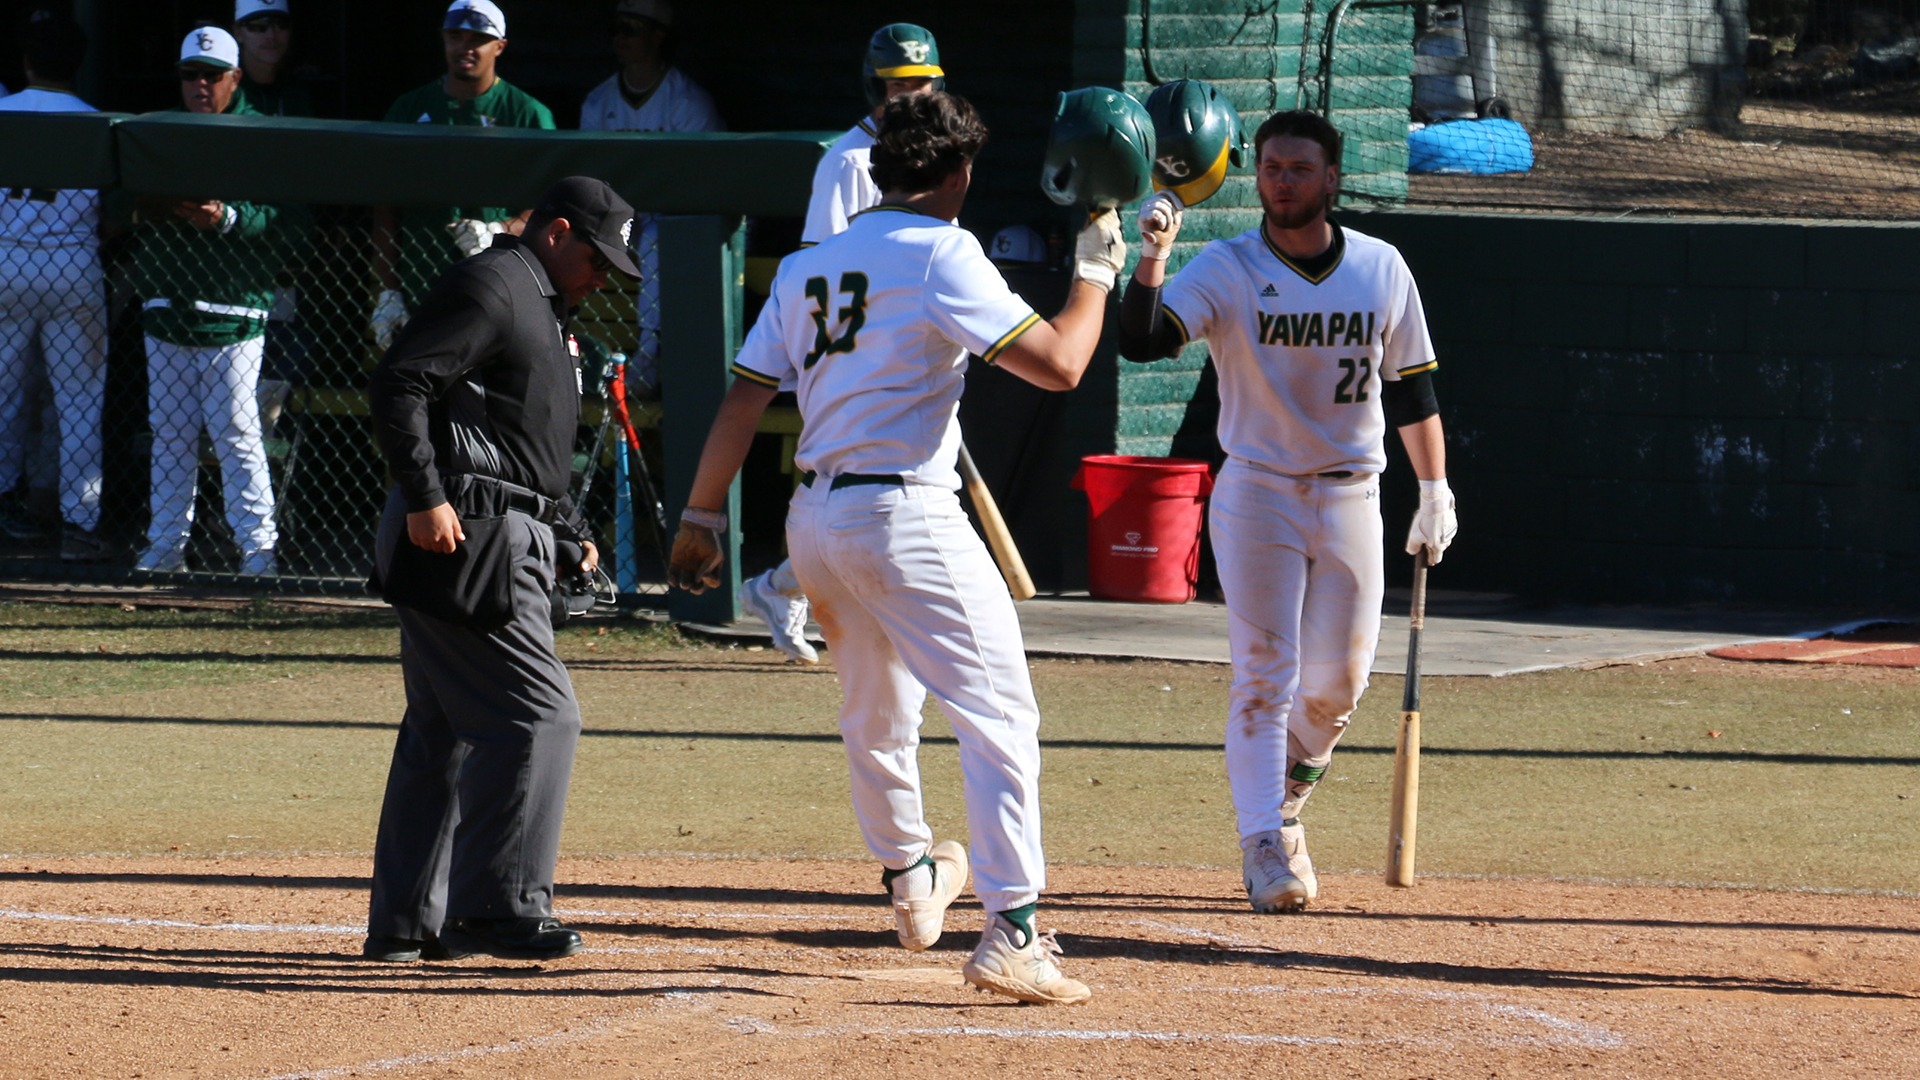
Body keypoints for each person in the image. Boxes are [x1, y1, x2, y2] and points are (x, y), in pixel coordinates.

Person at [668, 91, 1126, 1004]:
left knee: (875, 711)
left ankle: (912, 885)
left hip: (817, 520)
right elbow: (1063, 364)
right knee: (1000, 715)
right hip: (904, 516)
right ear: (956, 175)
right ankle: (1014, 931)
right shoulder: (944, 249)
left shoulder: (811, 263)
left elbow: (741, 401)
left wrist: (701, 519)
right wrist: (1095, 274)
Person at [1115, 109, 1458, 913]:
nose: (1283, 181)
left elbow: (1414, 388)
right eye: (1271, 168)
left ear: (1331, 179)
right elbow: (1143, 341)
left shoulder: (1380, 267)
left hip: (1352, 494)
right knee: (1266, 675)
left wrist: (1435, 490)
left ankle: (1285, 808)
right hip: (1259, 493)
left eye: (1300, 168)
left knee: (1338, 689)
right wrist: (1153, 257)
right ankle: (1262, 842)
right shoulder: (1229, 266)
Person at [361, 176, 636, 964]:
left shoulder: (539, 301)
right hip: (461, 534)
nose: (601, 277)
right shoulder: (496, 283)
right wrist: (424, 496)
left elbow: (519, 443)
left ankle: (409, 923)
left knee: (443, 727)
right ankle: (497, 905)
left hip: (485, 526)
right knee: (539, 715)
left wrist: (569, 527)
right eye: (596, 259)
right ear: (556, 233)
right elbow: (400, 380)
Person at [736, 21, 945, 664]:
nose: (909, 98)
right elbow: (819, 271)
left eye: (921, 85)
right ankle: (783, 589)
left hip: (909, 355)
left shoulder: (933, 154)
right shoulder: (848, 161)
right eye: (896, 87)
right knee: (843, 483)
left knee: (873, 492)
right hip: (851, 353)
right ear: (873, 89)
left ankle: (781, 589)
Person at [130, 27, 291, 576]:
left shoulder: (263, 133)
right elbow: (123, 201)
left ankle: (257, 552)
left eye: (212, 75)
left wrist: (227, 219)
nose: (200, 85)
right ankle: (164, 548)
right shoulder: (157, 131)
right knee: (170, 434)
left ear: (235, 78)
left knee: (237, 433)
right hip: (168, 306)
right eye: (190, 74)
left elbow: (287, 221)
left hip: (234, 310)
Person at [370, 0, 555, 352]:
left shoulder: (527, 113)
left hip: (501, 290)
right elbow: (385, 208)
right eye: (455, 36)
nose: (464, 48)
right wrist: (387, 291)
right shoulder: (408, 109)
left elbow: (548, 209)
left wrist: (501, 231)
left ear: (499, 46)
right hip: (422, 288)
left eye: (477, 39)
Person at [0, 9, 107, 561]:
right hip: (72, 263)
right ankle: (80, 523)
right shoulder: (96, 119)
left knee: (3, 397)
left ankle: (4, 505)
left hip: (7, 260)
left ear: (25, 61)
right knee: (80, 402)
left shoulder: (3, 109)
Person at [578, 0, 723, 396]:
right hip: (620, 216)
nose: (621, 37)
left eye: (632, 28)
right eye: (616, 27)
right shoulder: (598, 101)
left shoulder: (687, 102)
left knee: (660, 234)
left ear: (659, 36)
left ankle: (647, 358)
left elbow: (701, 184)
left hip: (676, 221)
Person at [231, 0, 312, 118]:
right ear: (237, 32)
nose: (272, 35)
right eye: (259, 26)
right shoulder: (224, 88)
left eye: (281, 24)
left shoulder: (297, 92)